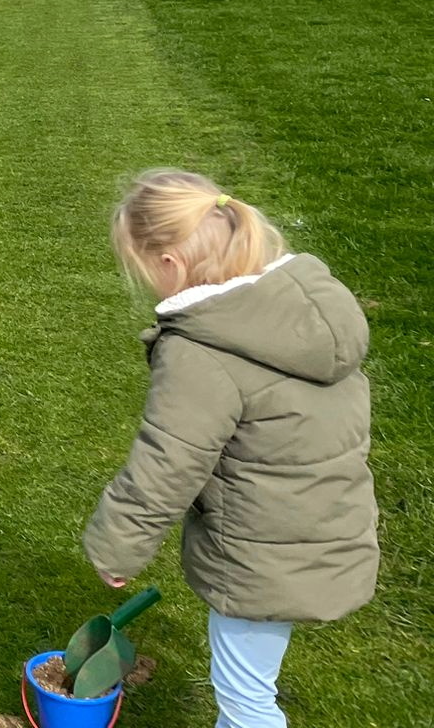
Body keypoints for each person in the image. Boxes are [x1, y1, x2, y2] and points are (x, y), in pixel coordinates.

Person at [83, 170, 375, 728]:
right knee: (254, 669)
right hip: (328, 523)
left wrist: (116, 547)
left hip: (259, 549)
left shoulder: (201, 352)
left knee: (245, 699)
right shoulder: (308, 312)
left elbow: (168, 460)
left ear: (169, 264)